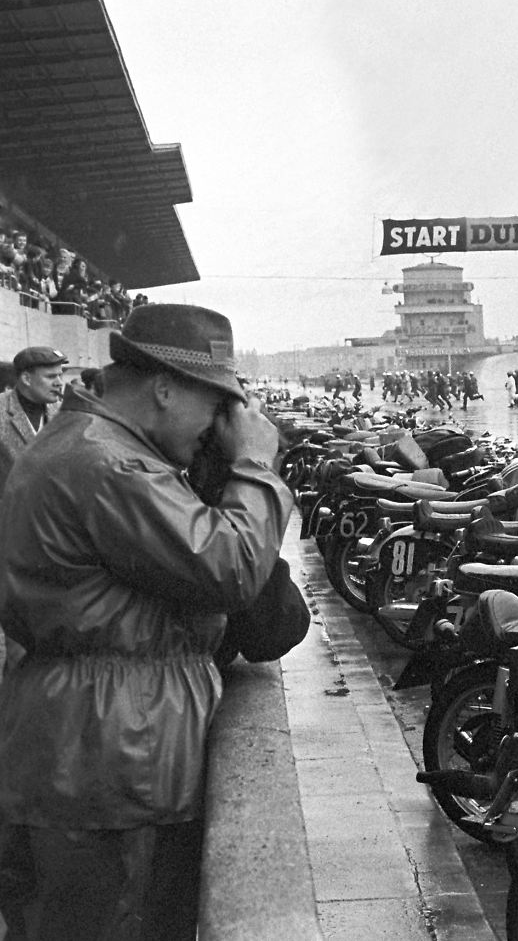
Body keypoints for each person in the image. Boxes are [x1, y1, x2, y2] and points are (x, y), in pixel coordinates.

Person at [0, 304, 291, 938]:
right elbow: (233, 568)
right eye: (216, 406)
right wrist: (258, 467)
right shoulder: (113, 466)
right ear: (165, 387)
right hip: (108, 768)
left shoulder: (93, 448)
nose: (222, 426)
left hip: (90, 756)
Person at [0, 346, 68, 493]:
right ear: (26, 379)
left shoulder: (63, 411)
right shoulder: (1, 410)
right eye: (51, 377)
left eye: (60, 375)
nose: (59, 383)